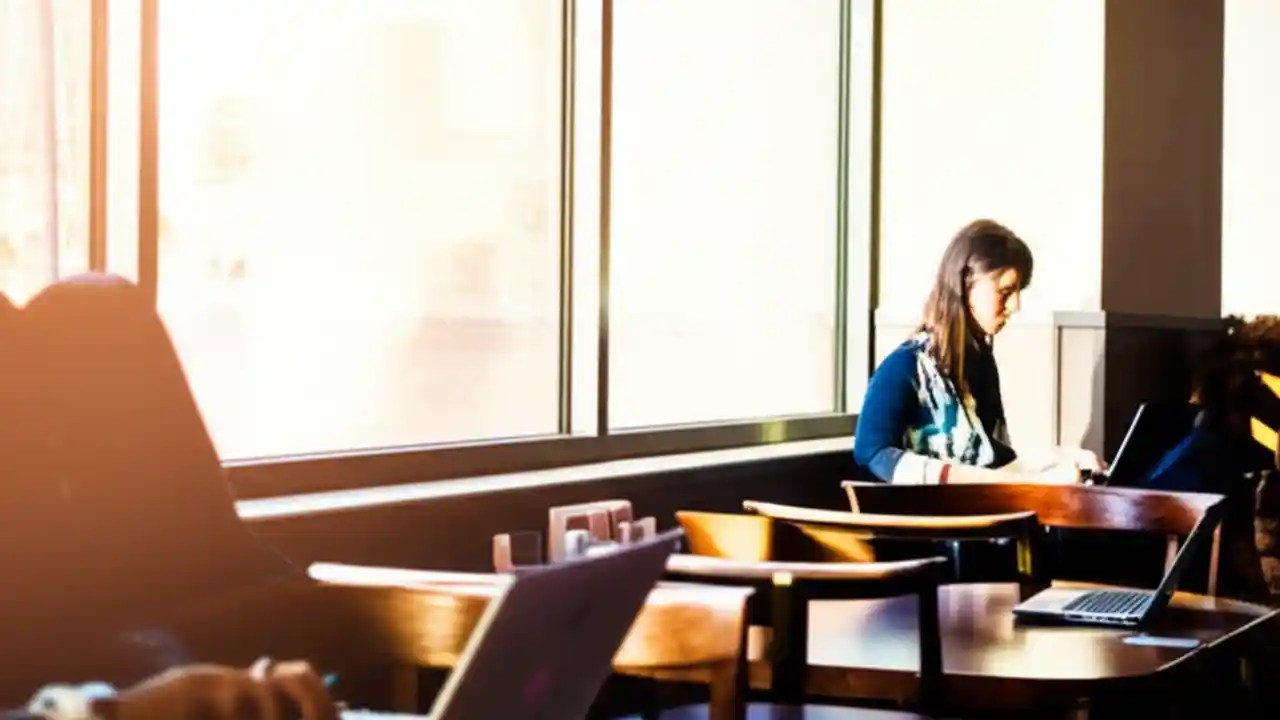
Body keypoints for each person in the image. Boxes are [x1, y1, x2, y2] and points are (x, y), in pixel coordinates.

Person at [853, 219, 1098, 485]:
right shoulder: (905, 366)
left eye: (1017, 292)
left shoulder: (979, 362)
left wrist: (1061, 458)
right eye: (1005, 292)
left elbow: (995, 461)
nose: (1015, 306)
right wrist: (1038, 480)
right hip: (934, 521)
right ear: (965, 284)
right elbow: (871, 451)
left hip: (978, 514)